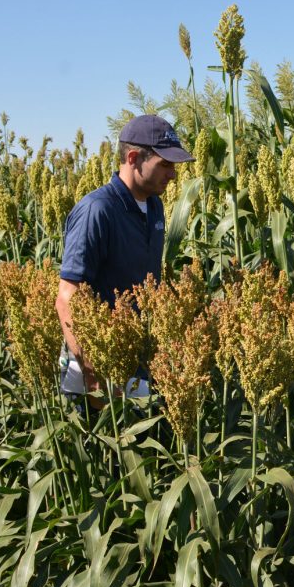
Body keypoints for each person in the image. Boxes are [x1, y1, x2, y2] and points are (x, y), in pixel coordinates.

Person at [55, 114, 194, 401]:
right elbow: (67, 298)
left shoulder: (154, 207)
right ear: (133, 158)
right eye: (165, 164)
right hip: (98, 369)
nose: (173, 174)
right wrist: (94, 379)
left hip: (138, 364)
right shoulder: (97, 211)